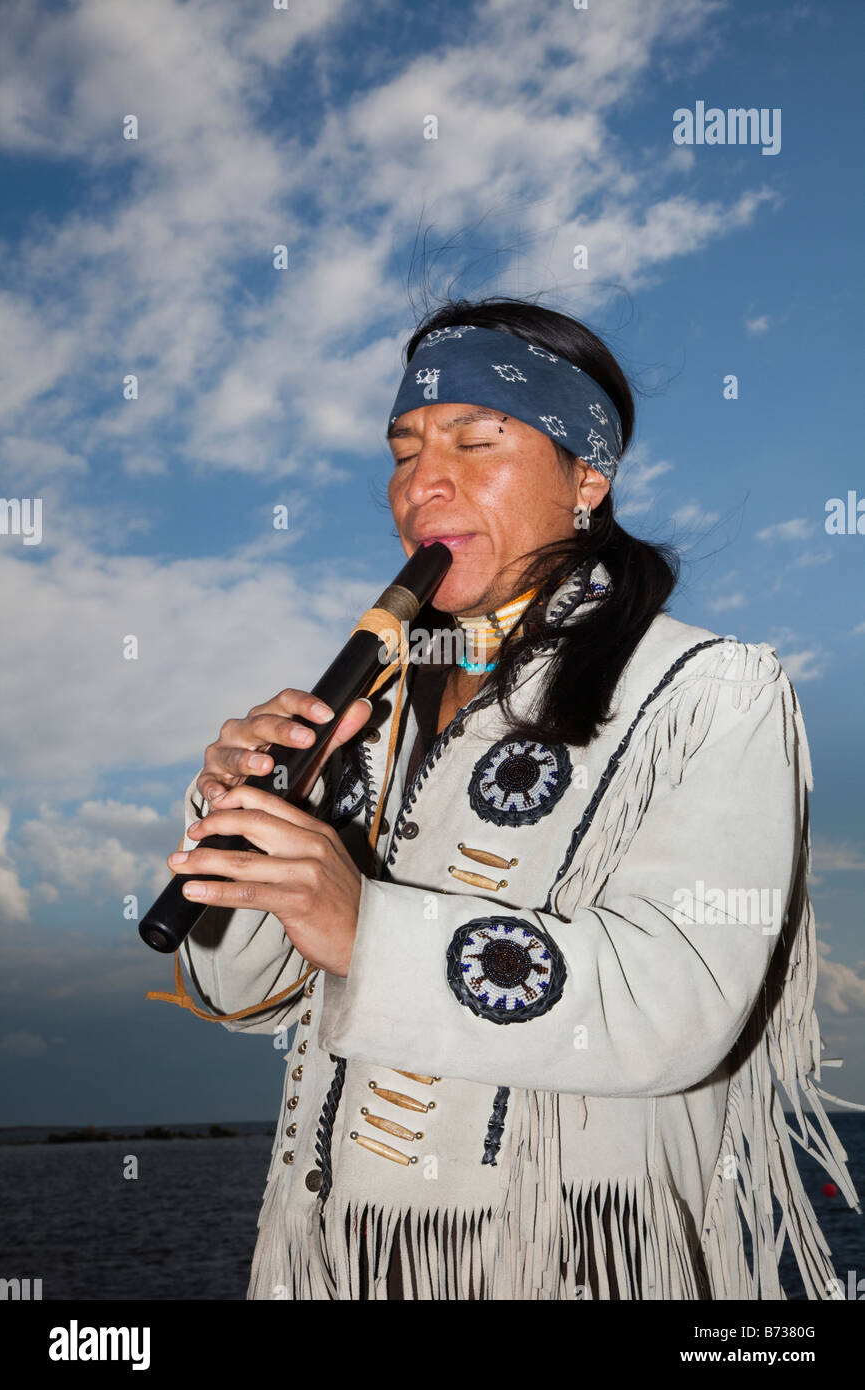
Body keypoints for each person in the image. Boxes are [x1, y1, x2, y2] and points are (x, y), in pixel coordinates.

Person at [159, 298, 862, 1300]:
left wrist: (363, 927)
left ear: (586, 478)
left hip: (567, 1266)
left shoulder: (708, 688)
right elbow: (238, 995)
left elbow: (682, 1005)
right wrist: (247, 818)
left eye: (474, 439)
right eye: (402, 450)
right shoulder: (371, 704)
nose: (419, 482)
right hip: (329, 1262)